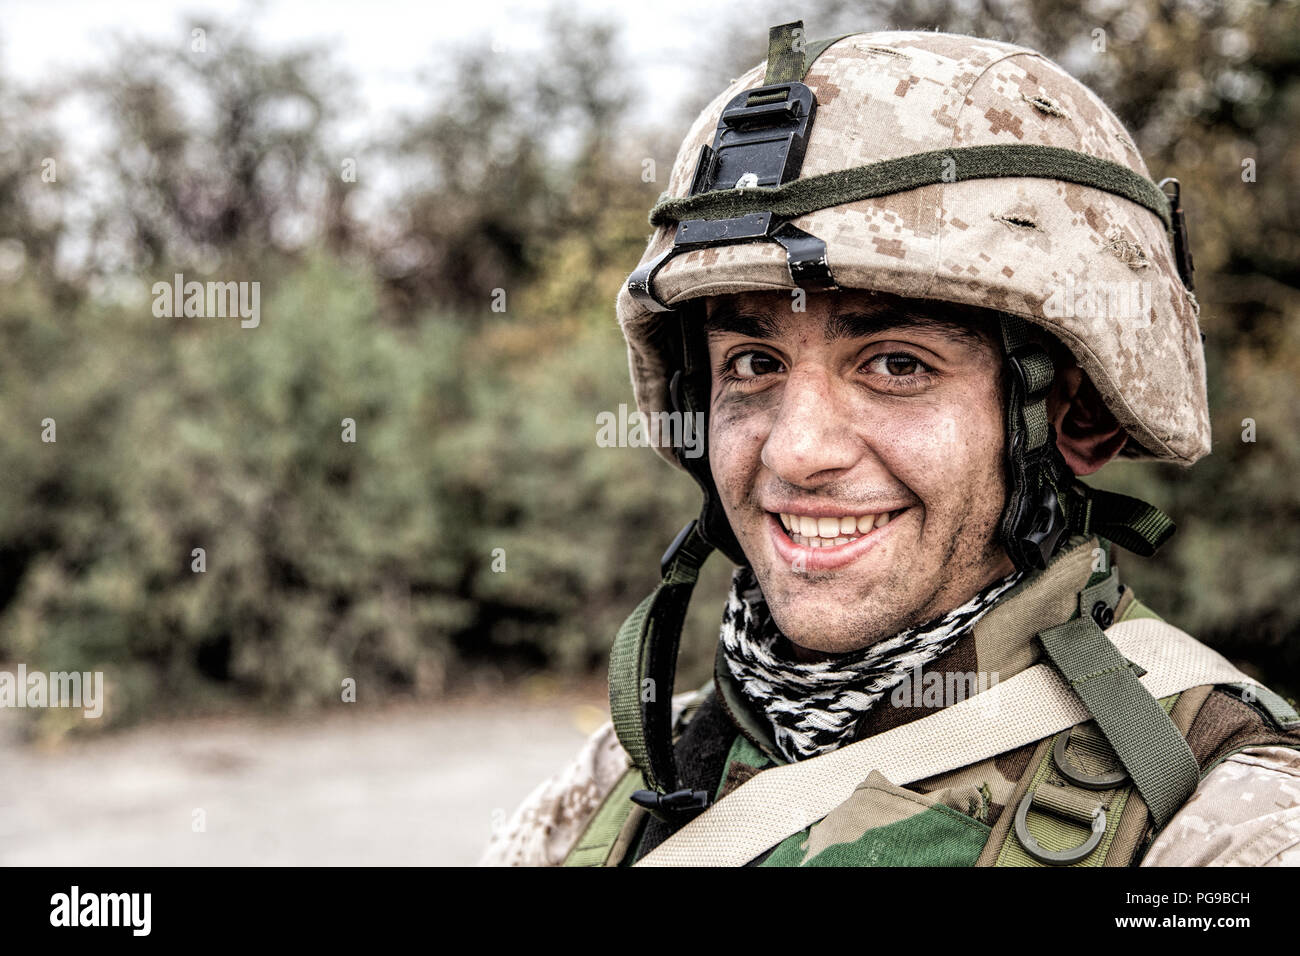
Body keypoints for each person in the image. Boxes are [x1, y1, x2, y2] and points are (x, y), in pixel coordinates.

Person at [481, 22, 1300, 867]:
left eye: (896, 365)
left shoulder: (1227, 819)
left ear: (1077, 413)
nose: (795, 454)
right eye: (754, 363)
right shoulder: (621, 778)